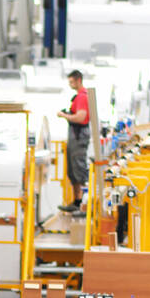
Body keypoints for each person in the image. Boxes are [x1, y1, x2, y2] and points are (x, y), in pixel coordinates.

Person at [58, 70, 90, 213]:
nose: (70, 85)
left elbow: (81, 117)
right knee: (73, 170)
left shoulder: (82, 97)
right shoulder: (78, 97)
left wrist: (64, 115)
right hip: (75, 135)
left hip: (79, 135)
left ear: (78, 80)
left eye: (71, 82)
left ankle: (83, 203)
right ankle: (77, 202)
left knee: (78, 168)